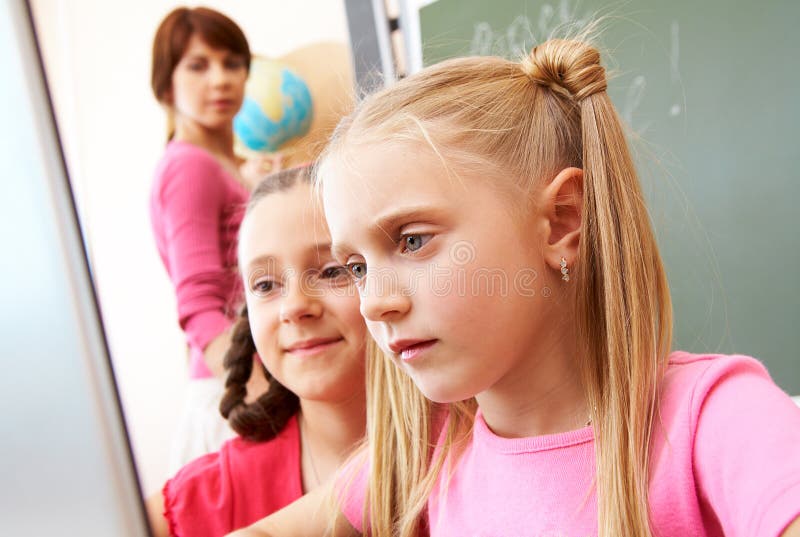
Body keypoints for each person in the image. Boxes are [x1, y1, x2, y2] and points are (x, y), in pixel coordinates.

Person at [228, 37, 800, 537]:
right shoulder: (427, 458)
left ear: (562, 221)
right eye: (356, 267)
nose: (374, 302)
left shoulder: (714, 418)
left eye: (412, 240)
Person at [146, 166, 367, 537]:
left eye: (331, 272)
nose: (294, 307)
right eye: (265, 285)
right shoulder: (213, 494)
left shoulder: (462, 450)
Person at [149, 6, 279, 469]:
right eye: (198, 66)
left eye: (232, 63)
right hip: (236, 393)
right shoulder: (189, 166)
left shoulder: (230, 165)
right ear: (167, 84)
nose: (221, 79)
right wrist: (259, 394)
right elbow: (199, 305)